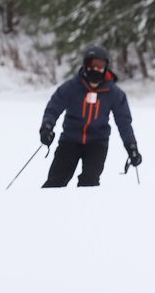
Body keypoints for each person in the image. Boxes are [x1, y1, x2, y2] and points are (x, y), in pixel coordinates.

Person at [39, 45, 142, 187]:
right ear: (86, 65)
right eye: (92, 65)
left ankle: (85, 208)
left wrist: (132, 147)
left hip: (97, 143)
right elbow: (54, 107)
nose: (96, 69)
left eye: (100, 65)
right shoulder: (72, 87)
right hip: (70, 140)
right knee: (56, 182)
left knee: (89, 183)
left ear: (106, 67)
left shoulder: (113, 93)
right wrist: (47, 127)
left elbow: (124, 122)